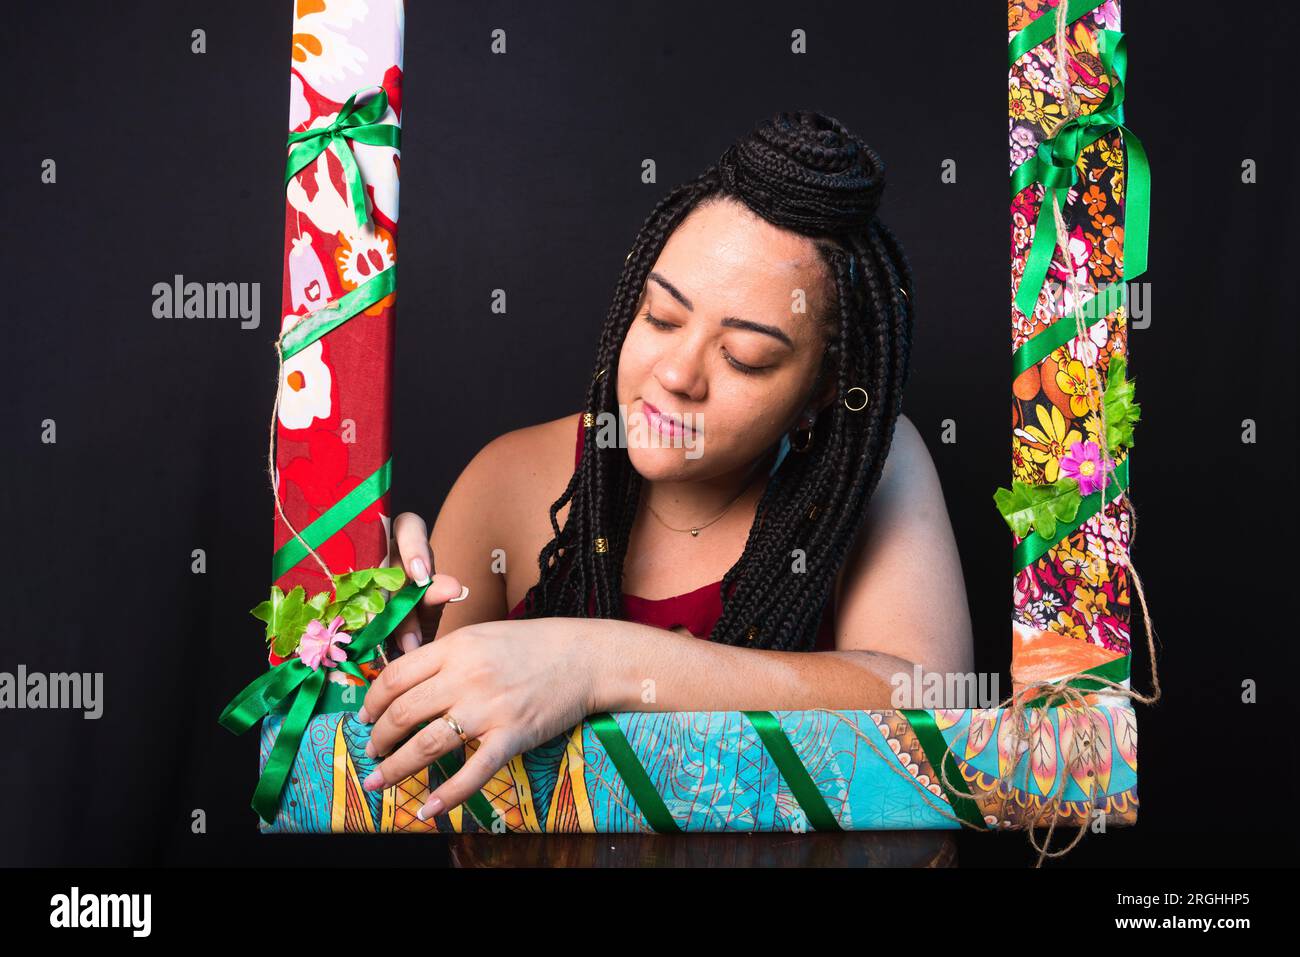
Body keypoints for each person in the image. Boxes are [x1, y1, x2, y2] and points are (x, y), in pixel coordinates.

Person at [356, 111, 973, 822]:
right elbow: (409, 761)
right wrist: (378, 624)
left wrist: (594, 663)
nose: (678, 373)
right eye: (660, 318)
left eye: (745, 357)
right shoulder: (507, 479)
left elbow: (933, 712)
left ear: (821, 391)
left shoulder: (869, 467)